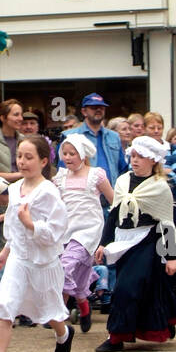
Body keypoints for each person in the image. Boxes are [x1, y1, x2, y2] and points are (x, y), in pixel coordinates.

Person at [0, 136, 74, 352]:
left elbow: (57, 230)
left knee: (49, 311)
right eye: (20, 156)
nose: (22, 161)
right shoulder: (13, 188)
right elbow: (13, 228)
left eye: (29, 157)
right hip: (18, 260)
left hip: (42, 261)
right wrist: (5, 252)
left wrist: (32, 224)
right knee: (5, 306)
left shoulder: (49, 192)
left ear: (44, 161)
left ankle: (63, 334)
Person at [94, 135, 176, 352]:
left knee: (127, 287)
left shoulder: (160, 187)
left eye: (141, 156)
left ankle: (116, 336)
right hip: (124, 239)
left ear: (153, 160)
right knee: (152, 286)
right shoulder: (123, 181)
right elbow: (114, 213)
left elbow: (167, 222)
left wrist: (170, 256)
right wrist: (103, 243)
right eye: (133, 155)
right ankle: (165, 320)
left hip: (148, 241)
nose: (135, 160)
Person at [55, 133, 114, 333]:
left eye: (73, 153)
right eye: (65, 153)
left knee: (66, 266)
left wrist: (116, 227)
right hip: (65, 230)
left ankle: (58, 313)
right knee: (79, 271)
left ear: (82, 155)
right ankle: (83, 305)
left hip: (88, 230)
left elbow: (113, 200)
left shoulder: (96, 174)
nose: (68, 157)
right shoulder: (60, 177)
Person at [60, 92, 126, 183]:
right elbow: (63, 169)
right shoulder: (69, 136)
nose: (98, 110)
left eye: (101, 108)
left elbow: (122, 168)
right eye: (93, 108)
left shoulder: (114, 136)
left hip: (111, 192)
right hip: (83, 193)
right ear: (84, 112)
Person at [0, 99, 26, 185]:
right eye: (16, 115)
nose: (20, 118)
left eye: (21, 115)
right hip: (1, 190)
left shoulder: (23, 139)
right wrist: (21, 174)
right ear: (3, 118)